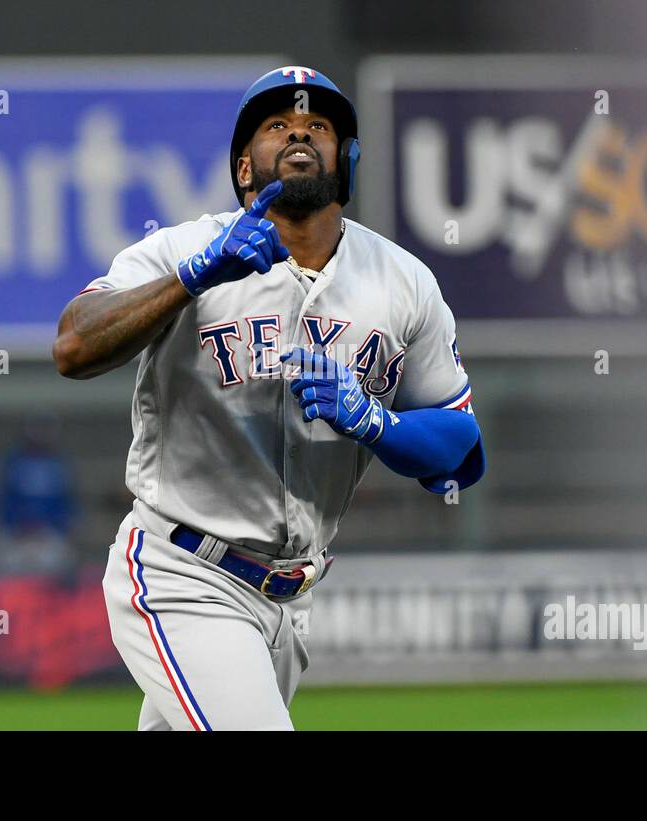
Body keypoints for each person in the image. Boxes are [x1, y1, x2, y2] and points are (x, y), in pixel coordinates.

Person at [53, 66, 485, 730]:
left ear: (348, 161)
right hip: (182, 572)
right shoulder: (184, 249)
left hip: (288, 601)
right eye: (277, 125)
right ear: (244, 169)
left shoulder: (404, 282)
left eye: (319, 126)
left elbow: (461, 451)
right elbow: (73, 346)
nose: (300, 133)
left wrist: (375, 421)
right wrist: (191, 279)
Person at [0, 414, 76, 573]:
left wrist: (46, 531)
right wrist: (19, 529)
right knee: (5, 557)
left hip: (49, 536)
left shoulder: (59, 464)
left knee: (58, 558)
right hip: (16, 535)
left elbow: (67, 508)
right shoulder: (12, 462)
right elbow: (3, 505)